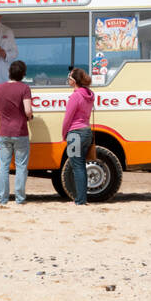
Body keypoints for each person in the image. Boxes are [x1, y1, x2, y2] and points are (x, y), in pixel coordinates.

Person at [0, 60, 33, 205]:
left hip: (4, 132)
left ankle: (3, 199)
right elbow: (28, 110)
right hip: (20, 132)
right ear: (23, 74)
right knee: (21, 166)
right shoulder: (24, 88)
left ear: (9, 72)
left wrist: (5, 114)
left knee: (4, 166)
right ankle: (20, 199)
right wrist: (30, 116)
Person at [62, 67, 95, 205]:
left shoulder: (75, 96)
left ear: (74, 81)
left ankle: (81, 199)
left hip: (75, 134)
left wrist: (64, 134)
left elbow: (68, 118)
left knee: (77, 167)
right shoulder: (90, 94)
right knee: (81, 165)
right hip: (87, 131)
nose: (68, 80)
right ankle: (82, 198)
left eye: (69, 78)